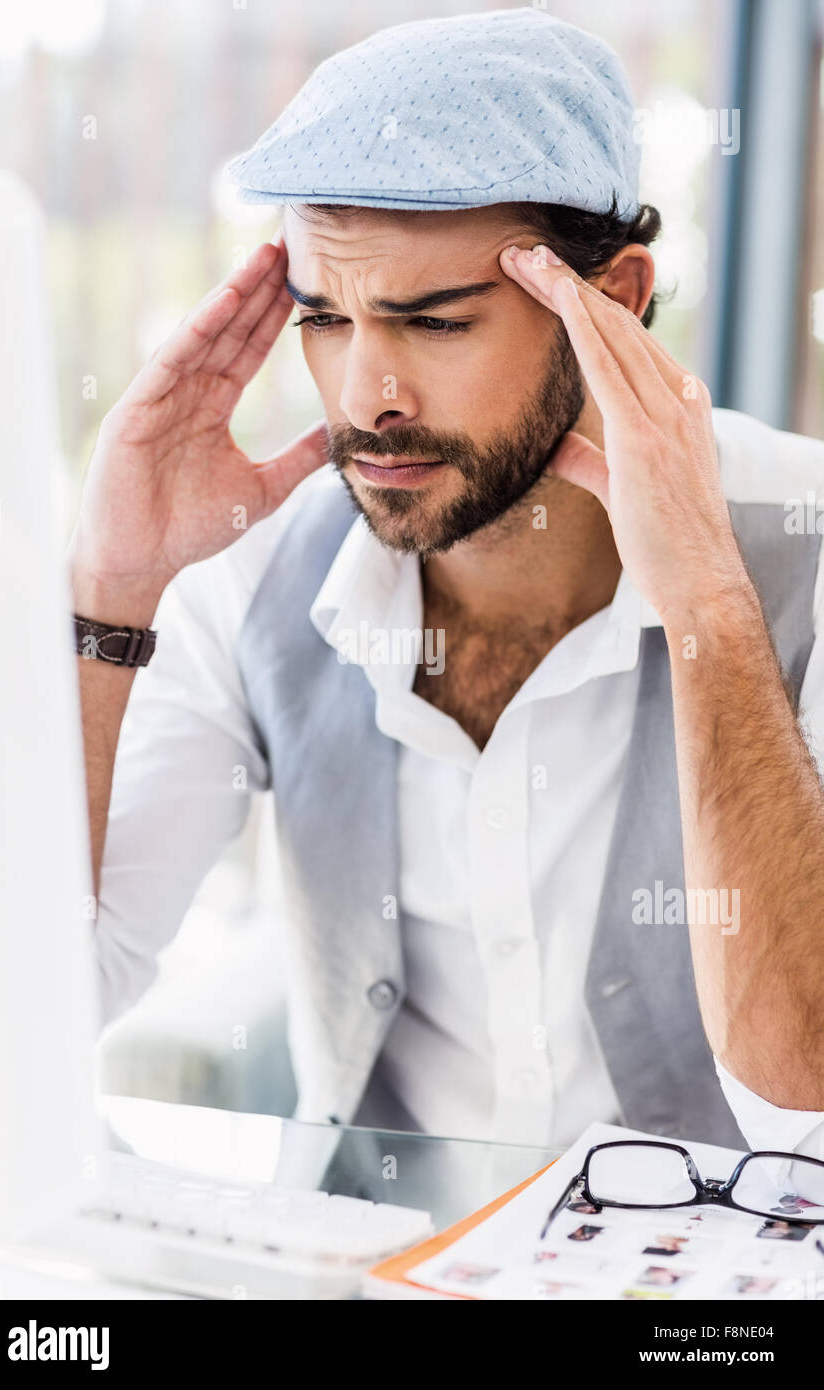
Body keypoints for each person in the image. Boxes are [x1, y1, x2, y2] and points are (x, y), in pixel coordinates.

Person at [70, 9, 824, 1153]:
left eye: (432, 321)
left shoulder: (804, 548)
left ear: (612, 298)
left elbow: (801, 1068)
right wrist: (110, 594)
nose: (366, 393)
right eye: (324, 317)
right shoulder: (256, 568)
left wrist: (710, 610)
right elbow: (36, 995)